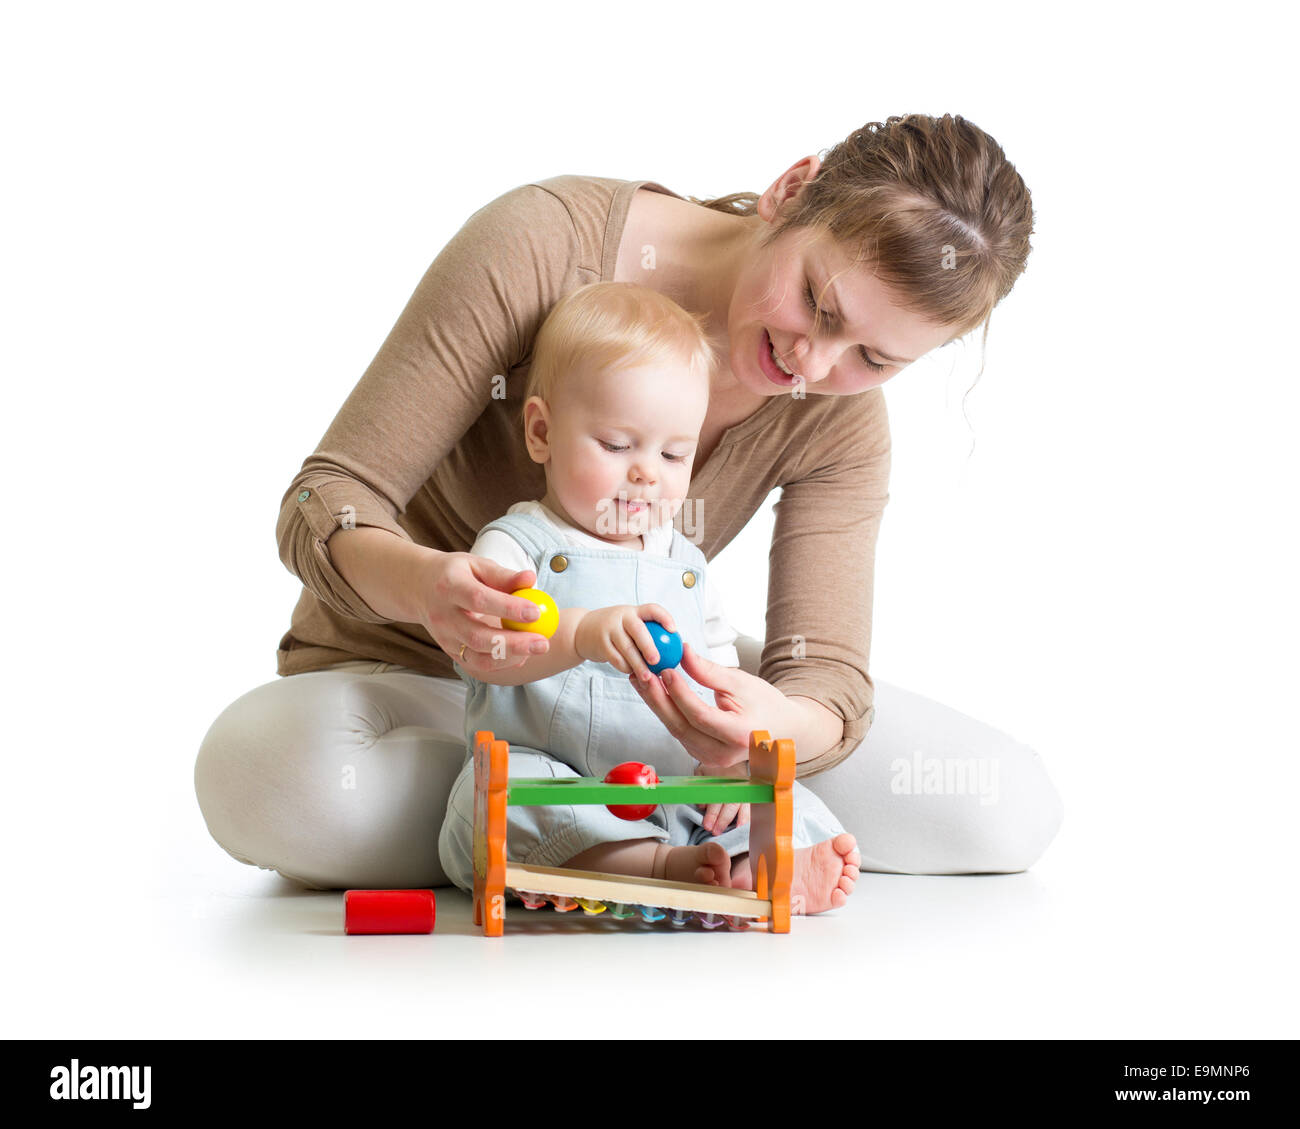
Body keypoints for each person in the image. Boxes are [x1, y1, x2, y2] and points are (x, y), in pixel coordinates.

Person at [195, 113, 1064, 891]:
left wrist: (769, 722)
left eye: (873, 358)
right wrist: (431, 587)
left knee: (1003, 808)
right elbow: (327, 495)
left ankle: (608, 834)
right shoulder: (540, 244)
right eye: (815, 300)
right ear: (792, 190)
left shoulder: (839, 419)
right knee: (272, 775)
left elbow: (826, 673)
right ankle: (579, 823)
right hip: (417, 676)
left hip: (647, 702)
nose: (814, 362)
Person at [436, 281, 860, 913]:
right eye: (616, 445)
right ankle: (664, 868)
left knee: (770, 792)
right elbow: (482, 650)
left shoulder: (683, 564)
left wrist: (730, 762)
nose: (647, 473)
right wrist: (579, 633)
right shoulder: (515, 546)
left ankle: (759, 863)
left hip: (671, 780)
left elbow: (721, 680)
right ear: (542, 432)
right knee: (495, 802)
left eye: (673, 453)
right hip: (560, 782)